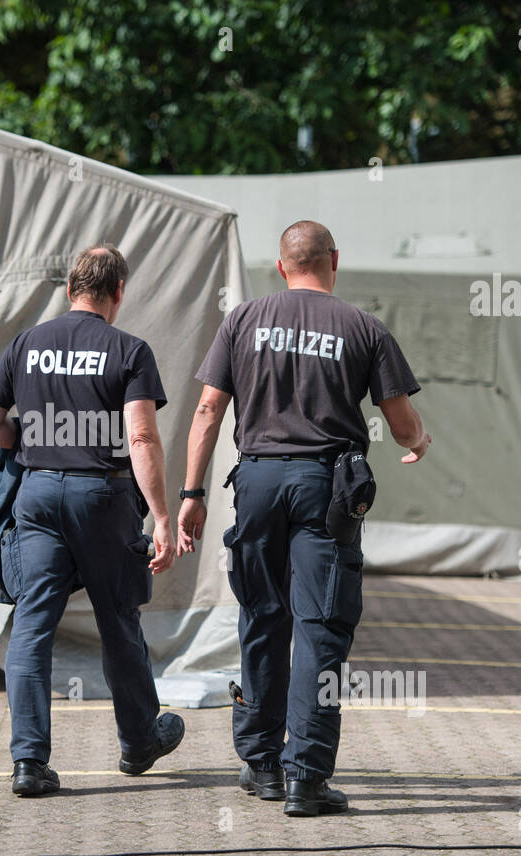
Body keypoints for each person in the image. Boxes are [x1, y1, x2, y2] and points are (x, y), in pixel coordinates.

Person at [175, 221, 430, 816]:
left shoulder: (243, 320)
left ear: (282, 264)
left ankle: (260, 763)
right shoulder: (362, 327)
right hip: (325, 488)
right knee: (320, 625)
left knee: (263, 616)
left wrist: (192, 492)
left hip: (257, 481)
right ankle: (306, 776)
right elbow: (401, 423)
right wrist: (421, 440)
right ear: (332, 261)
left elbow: (209, 409)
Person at [0, 245, 185, 797]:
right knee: (118, 621)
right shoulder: (129, 350)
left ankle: (28, 763)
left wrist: (30, 440)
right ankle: (138, 742)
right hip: (102, 498)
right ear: (118, 293)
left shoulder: (27, 344)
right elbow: (139, 438)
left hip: (37, 497)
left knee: (33, 626)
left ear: (70, 289)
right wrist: (161, 516)